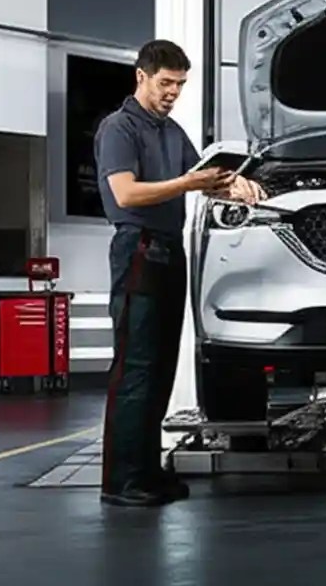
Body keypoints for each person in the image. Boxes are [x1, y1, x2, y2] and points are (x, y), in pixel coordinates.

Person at [93, 39, 264, 507]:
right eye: (165, 83)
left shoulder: (171, 132)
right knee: (136, 368)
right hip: (137, 249)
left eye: (180, 85)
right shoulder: (119, 128)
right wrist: (190, 183)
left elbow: (204, 176)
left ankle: (149, 470)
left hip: (169, 249)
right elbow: (126, 194)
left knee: (163, 365)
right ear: (141, 76)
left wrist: (237, 185)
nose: (172, 93)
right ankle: (121, 482)